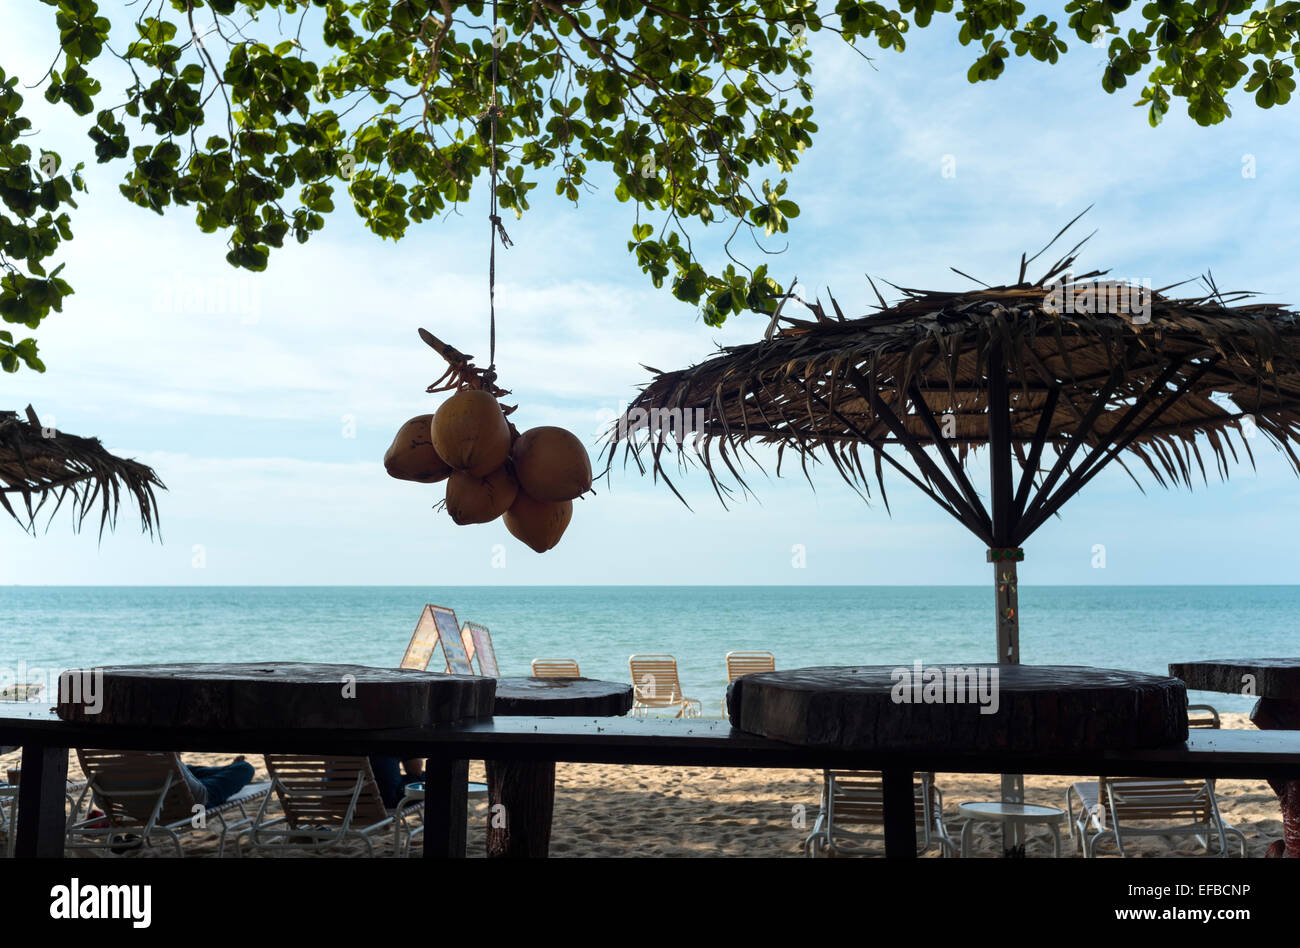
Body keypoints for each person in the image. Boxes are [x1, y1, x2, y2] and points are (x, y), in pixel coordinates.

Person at [179, 754, 254, 807]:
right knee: (246, 768)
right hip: (195, 796)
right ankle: (232, 768)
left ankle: (230, 768)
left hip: (173, 785)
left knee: (190, 769)